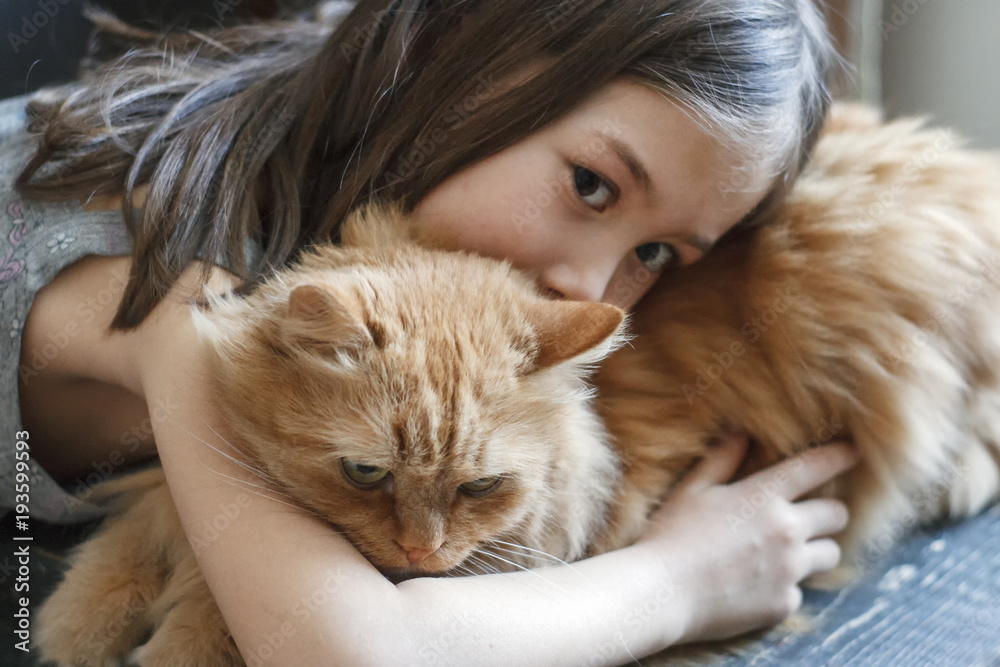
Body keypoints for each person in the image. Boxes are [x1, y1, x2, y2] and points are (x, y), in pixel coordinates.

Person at [3, 1, 860, 664]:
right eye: (593, 186)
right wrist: (680, 581)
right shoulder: (188, 299)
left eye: (657, 251)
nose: (589, 285)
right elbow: (351, 647)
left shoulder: (414, 287)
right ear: (451, 62)